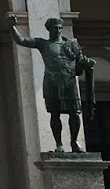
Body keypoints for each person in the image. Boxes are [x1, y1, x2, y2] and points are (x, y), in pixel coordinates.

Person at [9, 15, 96, 151]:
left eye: (60, 28)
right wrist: (12, 27)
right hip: (52, 82)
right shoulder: (43, 44)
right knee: (55, 113)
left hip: (69, 82)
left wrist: (87, 64)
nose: (58, 30)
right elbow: (21, 40)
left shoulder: (72, 45)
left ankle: (74, 142)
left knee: (75, 113)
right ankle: (59, 144)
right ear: (49, 29)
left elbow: (79, 67)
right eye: (55, 28)